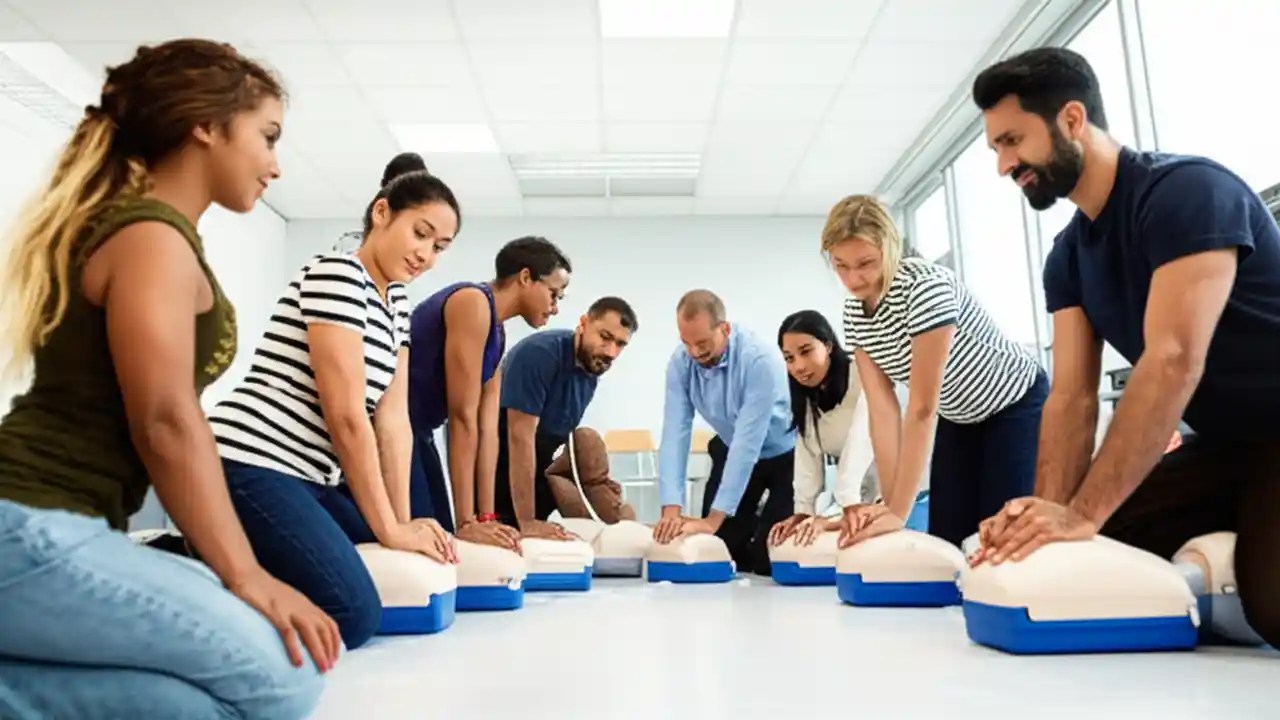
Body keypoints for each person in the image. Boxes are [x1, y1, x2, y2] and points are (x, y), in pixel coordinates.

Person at [0, 39, 329, 719]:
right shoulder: (151, 236)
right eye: (266, 137)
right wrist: (244, 575)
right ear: (206, 126)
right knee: (283, 679)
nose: (275, 165)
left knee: (185, 705)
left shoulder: (147, 232)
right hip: (28, 522)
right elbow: (166, 420)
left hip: (59, 525)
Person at [969, 47, 1280, 647]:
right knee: (1103, 546)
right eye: (997, 149)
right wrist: (1047, 517)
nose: (1005, 165)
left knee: (1275, 609)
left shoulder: (1187, 192)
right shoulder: (1067, 257)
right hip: (1224, 446)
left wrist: (1082, 512)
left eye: (1012, 141)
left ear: (1072, 120)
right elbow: (1071, 399)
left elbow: (1172, 360)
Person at [209, 152, 460, 652]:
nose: (426, 255)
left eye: (440, 246)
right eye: (420, 233)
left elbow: (393, 420)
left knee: (372, 547)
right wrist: (389, 529)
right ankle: (186, 562)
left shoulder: (398, 303)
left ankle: (229, 554)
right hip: (252, 462)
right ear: (382, 213)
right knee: (353, 611)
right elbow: (346, 417)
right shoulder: (339, 276)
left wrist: (402, 524)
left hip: (312, 478)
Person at [824, 194, 1048, 550]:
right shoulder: (854, 315)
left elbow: (922, 406)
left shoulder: (926, 287)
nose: (853, 278)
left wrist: (900, 510)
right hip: (959, 414)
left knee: (1001, 530)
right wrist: (888, 504)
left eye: (865, 263)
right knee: (948, 537)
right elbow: (882, 411)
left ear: (889, 248)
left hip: (1013, 401)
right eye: (840, 265)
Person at [407, 237, 573, 546]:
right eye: (553, 293)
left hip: (419, 434)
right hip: (393, 430)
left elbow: (486, 431)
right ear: (525, 278)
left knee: (444, 534)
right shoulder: (472, 302)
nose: (555, 307)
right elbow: (462, 418)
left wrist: (486, 517)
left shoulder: (497, 332)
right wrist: (467, 521)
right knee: (434, 537)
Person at [652, 290, 796, 576]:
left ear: (725, 329)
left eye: (703, 343)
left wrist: (712, 519)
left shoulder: (759, 360)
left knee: (768, 559)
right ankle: (748, 523)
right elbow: (674, 433)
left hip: (786, 456)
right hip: (731, 449)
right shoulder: (681, 362)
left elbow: (747, 443)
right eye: (687, 343)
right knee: (720, 548)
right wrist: (671, 509)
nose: (695, 352)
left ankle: (759, 525)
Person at [494, 296, 639, 532]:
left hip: (537, 465)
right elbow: (520, 441)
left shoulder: (591, 370)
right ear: (583, 323)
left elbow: (554, 441)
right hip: (497, 464)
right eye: (605, 337)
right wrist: (527, 521)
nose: (611, 352)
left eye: (621, 344)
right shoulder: (539, 355)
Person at [766, 310, 875, 549]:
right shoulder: (806, 399)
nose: (799, 366)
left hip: (902, 497)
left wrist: (844, 506)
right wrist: (803, 513)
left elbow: (862, 441)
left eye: (805, 351)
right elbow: (807, 458)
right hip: (859, 501)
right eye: (789, 358)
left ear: (827, 345)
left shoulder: (865, 376)